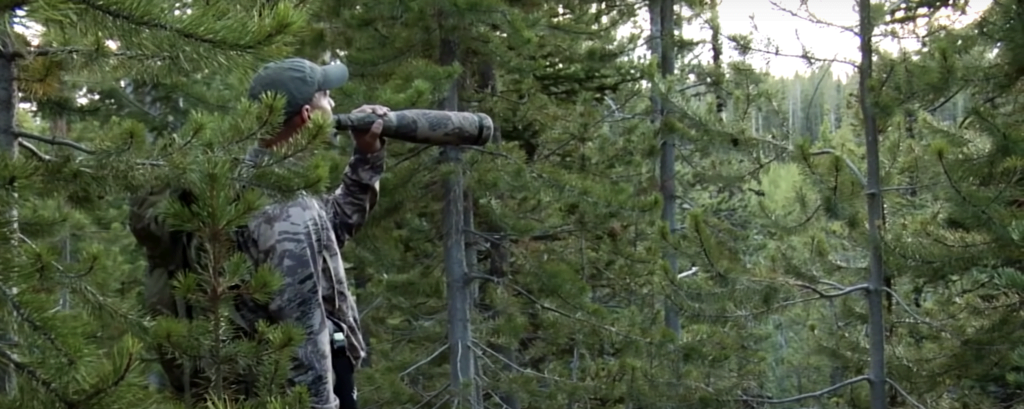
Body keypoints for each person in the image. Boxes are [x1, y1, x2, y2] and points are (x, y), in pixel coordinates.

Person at [129, 57, 387, 409]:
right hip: (282, 390)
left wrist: (366, 157)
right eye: (326, 95)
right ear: (307, 117)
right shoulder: (286, 208)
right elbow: (301, 336)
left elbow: (330, 230)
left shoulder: (245, 176)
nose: (334, 103)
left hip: (234, 384)